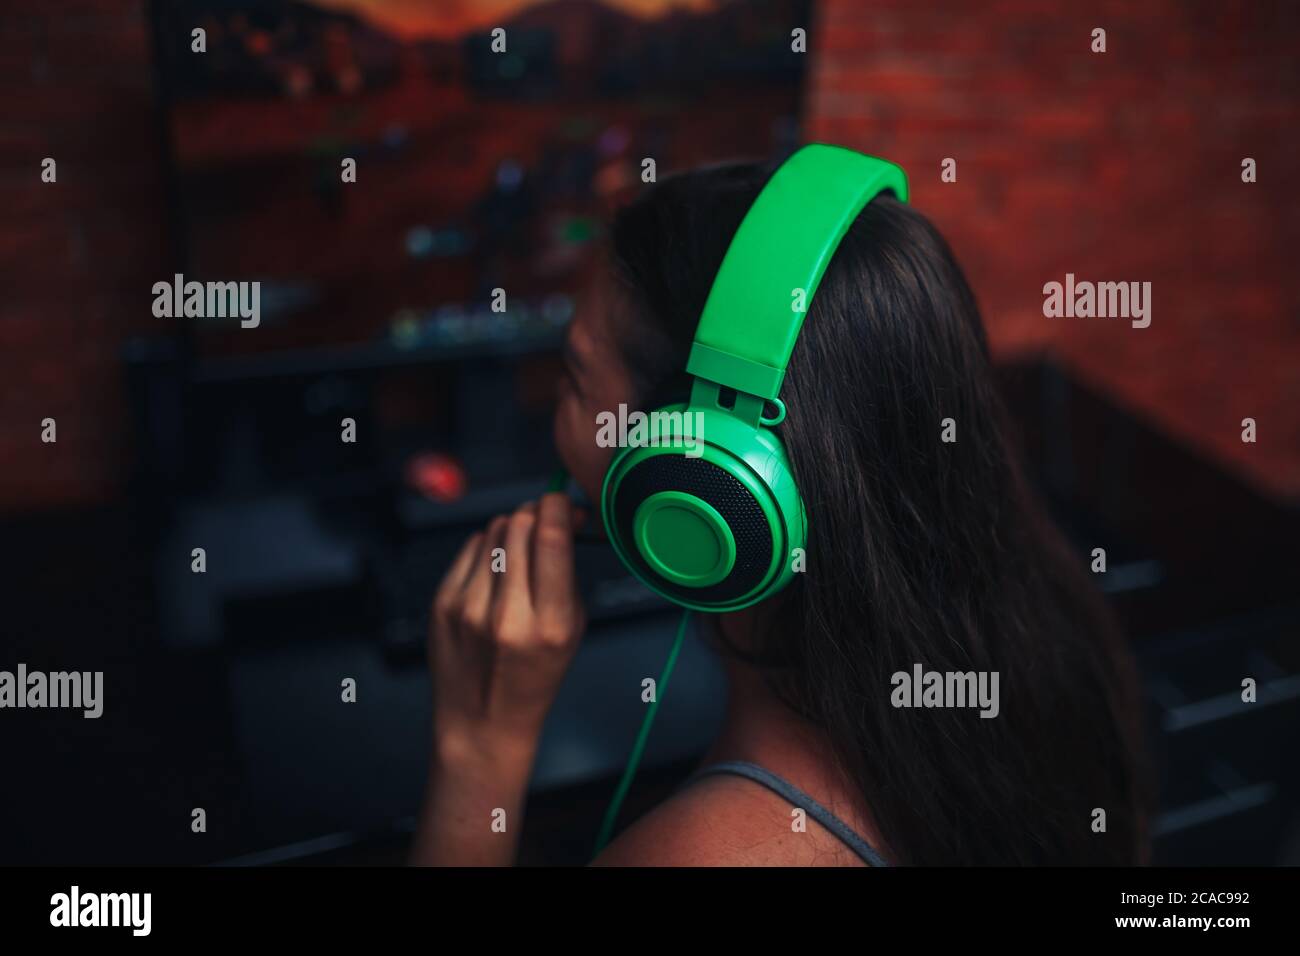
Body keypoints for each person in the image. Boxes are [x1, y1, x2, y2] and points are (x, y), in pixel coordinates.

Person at [411, 157, 1151, 866]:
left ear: (695, 474)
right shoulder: (1049, 629)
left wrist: (478, 753)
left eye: (573, 379)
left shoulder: (702, 859)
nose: (552, 412)